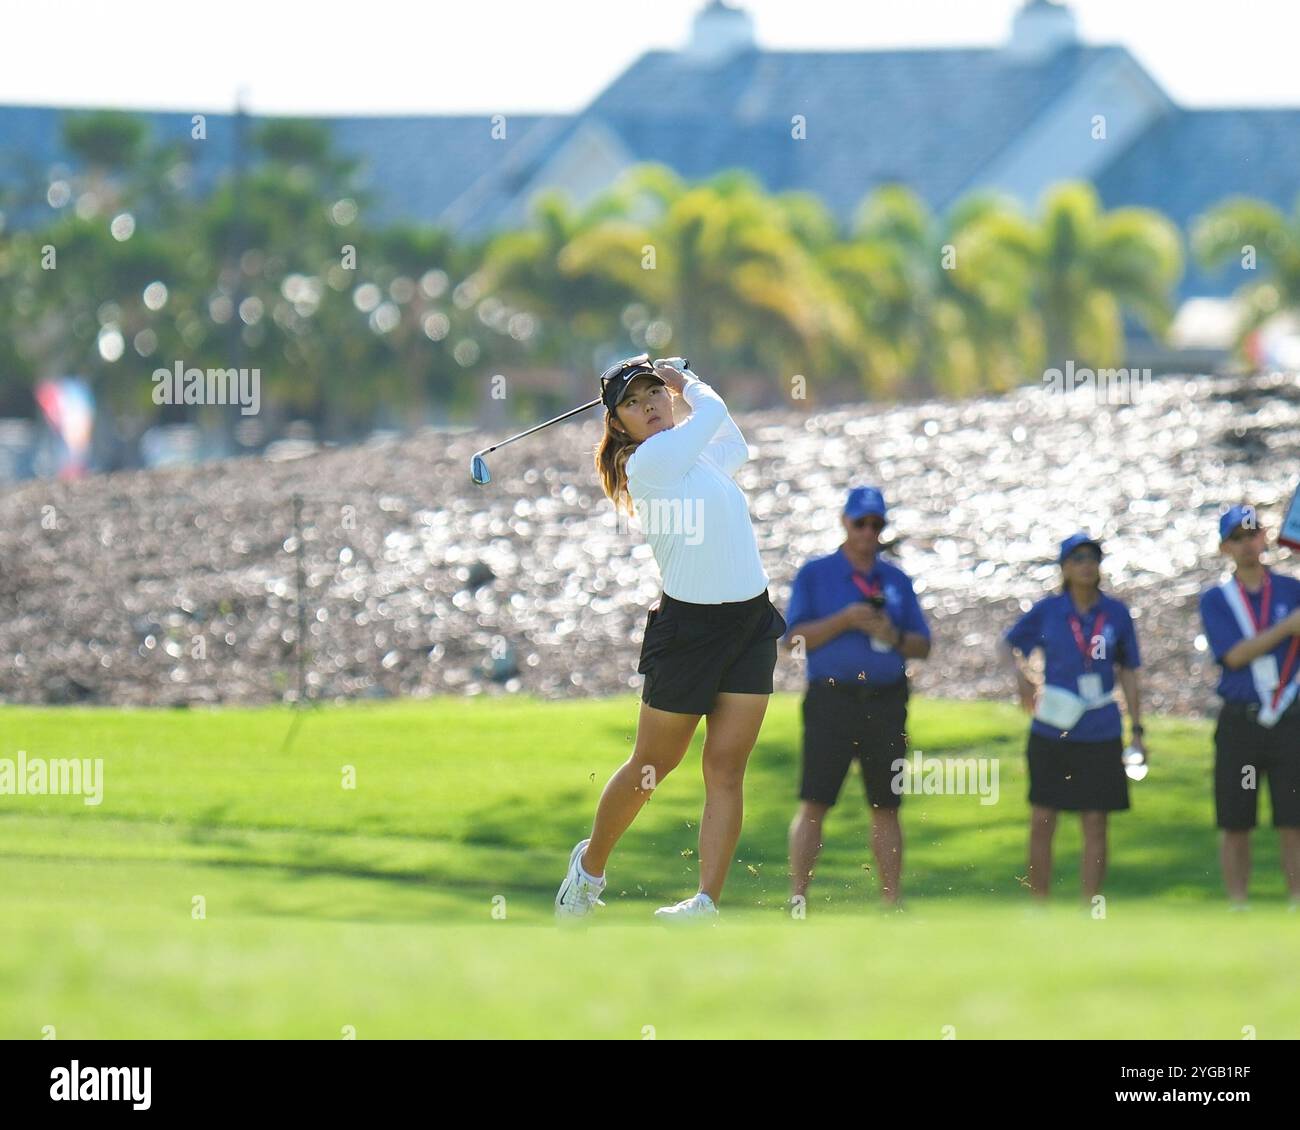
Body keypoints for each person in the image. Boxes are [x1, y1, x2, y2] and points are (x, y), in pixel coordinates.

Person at [554, 354, 787, 923]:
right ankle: (588, 873)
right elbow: (716, 411)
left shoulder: (695, 454)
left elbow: (735, 443)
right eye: (633, 403)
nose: (651, 405)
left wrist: (686, 386)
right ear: (619, 425)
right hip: (690, 633)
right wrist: (689, 379)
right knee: (653, 765)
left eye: (655, 393)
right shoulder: (651, 462)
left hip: (750, 624)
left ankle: (706, 902)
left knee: (726, 768)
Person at [783, 486, 931, 909]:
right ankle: (798, 898)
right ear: (844, 522)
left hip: (885, 699)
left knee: (886, 802)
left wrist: (892, 635)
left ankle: (891, 900)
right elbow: (792, 642)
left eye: (876, 525)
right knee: (815, 799)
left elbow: (923, 645)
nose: (868, 532)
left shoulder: (896, 579)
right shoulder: (816, 574)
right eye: (860, 523)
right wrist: (845, 620)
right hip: (831, 698)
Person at [998, 533, 1144, 902]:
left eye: (1092, 558)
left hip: (1101, 726)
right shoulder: (1049, 610)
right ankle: (1039, 904)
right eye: (1077, 558)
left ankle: (1091, 905)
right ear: (1064, 567)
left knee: (1096, 820)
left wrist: (1137, 729)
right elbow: (1008, 644)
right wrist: (1022, 678)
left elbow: (1128, 670)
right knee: (1043, 818)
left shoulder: (1115, 614)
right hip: (1055, 727)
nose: (1086, 565)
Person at [1197, 504, 1300, 909]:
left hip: (1290, 720)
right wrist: (1286, 628)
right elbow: (1234, 656)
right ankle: (1238, 903)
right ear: (1226, 547)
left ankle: (1296, 901)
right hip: (1241, 722)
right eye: (1237, 538)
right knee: (1236, 819)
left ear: (1264, 537)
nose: (1247, 544)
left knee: (1293, 818)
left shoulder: (1291, 590)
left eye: (1252, 533)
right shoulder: (1217, 600)